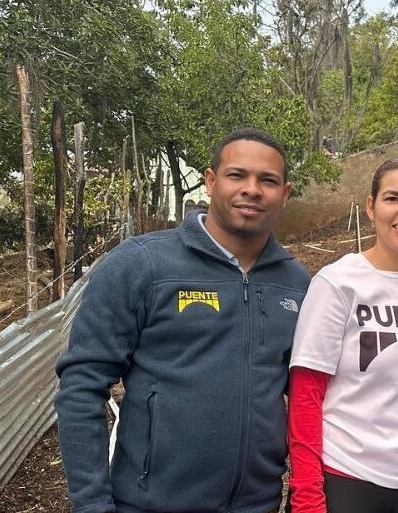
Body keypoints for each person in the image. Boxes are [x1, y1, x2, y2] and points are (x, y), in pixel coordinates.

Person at [55, 127, 311, 513]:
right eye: (237, 175)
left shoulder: (297, 285)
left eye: (268, 180)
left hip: (257, 505)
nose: (252, 189)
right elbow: (81, 387)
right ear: (211, 182)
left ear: (285, 194)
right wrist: (92, 504)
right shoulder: (142, 264)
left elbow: (310, 396)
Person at [287, 158, 398, 513]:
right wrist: (307, 497)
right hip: (348, 479)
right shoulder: (337, 283)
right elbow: (306, 394)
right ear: (371, 207)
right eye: (393, 198)